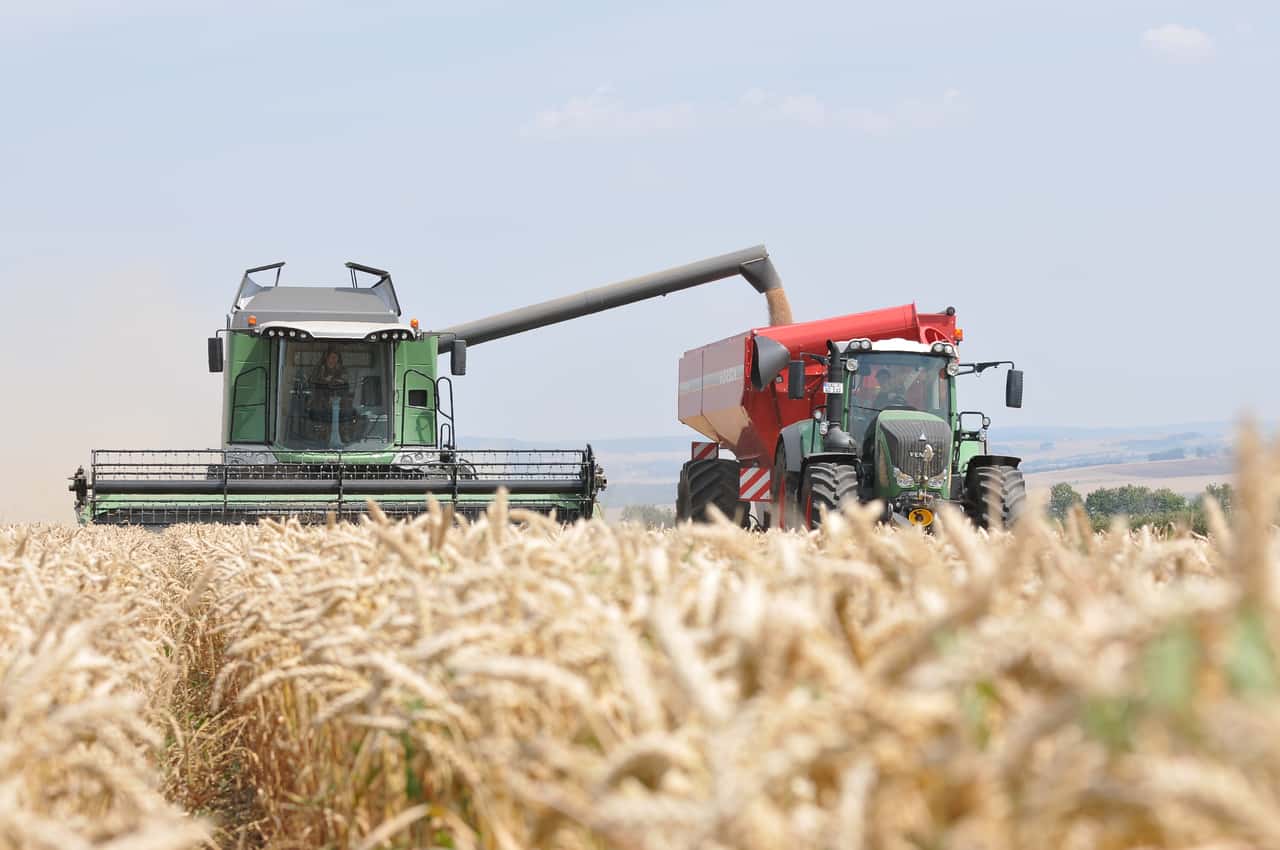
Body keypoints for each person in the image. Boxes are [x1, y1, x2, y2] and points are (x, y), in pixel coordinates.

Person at [308, 348, 357, 443]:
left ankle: (344, 433)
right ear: (326, 358)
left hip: (340, 398)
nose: (333, 360)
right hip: (321, 397)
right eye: (331, 358)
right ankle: (321, 435)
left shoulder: (342, 370)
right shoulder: (319, 370)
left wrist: (336, 381)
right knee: (318, 411)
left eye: (335, 358)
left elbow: (346, 382)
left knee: (347, 411)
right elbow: (312, 382)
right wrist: (325, 381)